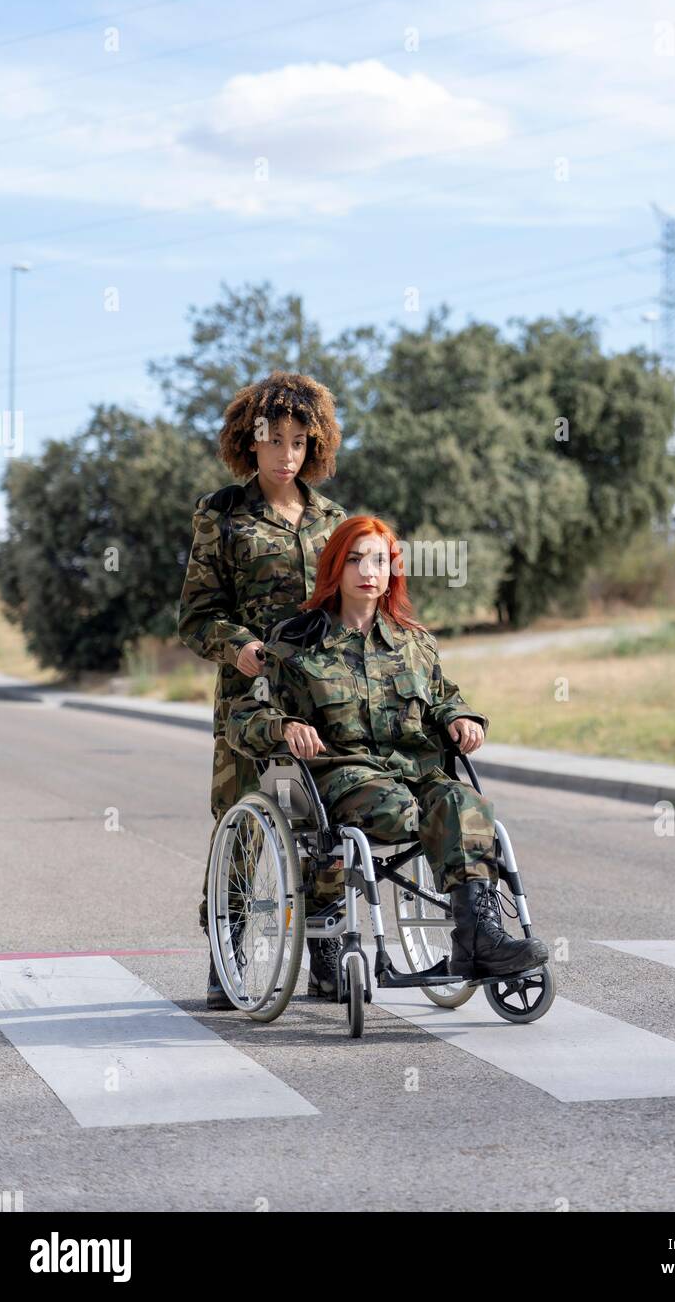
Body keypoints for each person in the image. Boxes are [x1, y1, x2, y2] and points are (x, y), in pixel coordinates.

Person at [225, 515, 549, 981]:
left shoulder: (414, 643)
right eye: (355, 559)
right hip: (345, 775)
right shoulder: (296, 644)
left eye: (379, 559)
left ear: (392, 568)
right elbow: (245, 718)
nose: (367, 571)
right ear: (335, 567)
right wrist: (284, 727)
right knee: (400, 812)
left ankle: (478, 937)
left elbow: (443, 698)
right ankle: (353, 924)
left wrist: (461, 717)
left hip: (418, 772)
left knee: (467, 805)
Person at [177, 369, 348, 1007]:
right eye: (274, 440)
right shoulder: (221, 514)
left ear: (315, 444)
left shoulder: (333, 520)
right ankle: (230, 944)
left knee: (329, 814)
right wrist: (238, 647)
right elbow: (194, 615)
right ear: (250, 442)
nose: (286, 455)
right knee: (243, 820)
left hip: (323, 696)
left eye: (299, 442)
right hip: (248, 700)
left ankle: (329, 944)